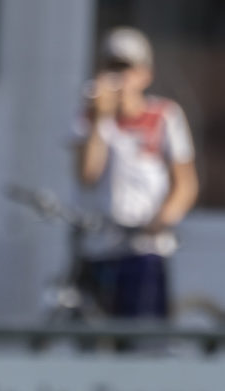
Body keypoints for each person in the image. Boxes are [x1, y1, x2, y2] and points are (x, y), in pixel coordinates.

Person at [72, 26, 198, 323]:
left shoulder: (164, 115)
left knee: (142, 332)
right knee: (94, 329)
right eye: (111, 68)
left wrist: (161, 220)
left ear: (144, 74)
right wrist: (100, 118)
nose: (118, 78)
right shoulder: (89, 117)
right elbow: (87, 174)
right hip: (99, 245)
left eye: (126, 68)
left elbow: (186, 183)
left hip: (144, 247)